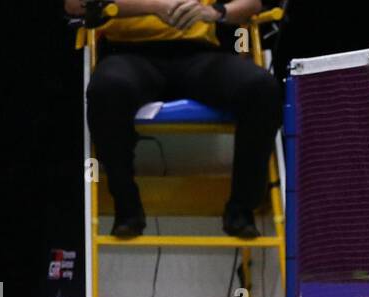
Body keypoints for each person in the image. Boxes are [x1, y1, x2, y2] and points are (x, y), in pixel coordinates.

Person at [66, 0, 282, 239]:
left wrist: (215, 12)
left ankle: (241, 209)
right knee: (106, 90)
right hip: (128, 53)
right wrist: (153, 6)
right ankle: (127, 206)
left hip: (199, 54)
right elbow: (75, 5)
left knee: (261, 88)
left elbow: (252, 4)